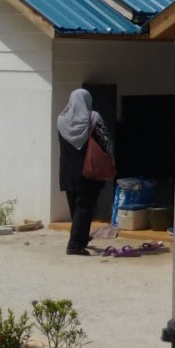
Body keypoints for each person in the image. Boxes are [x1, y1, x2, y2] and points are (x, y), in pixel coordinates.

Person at [56, 88, 115, 256]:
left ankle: (79, 236)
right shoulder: (93, 118)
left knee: (76, 208)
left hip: (67, 172)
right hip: (88, 171)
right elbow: (106, 142)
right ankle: (75, 245)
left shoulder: (60, 120)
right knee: (85, 207)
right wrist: (111, 160)